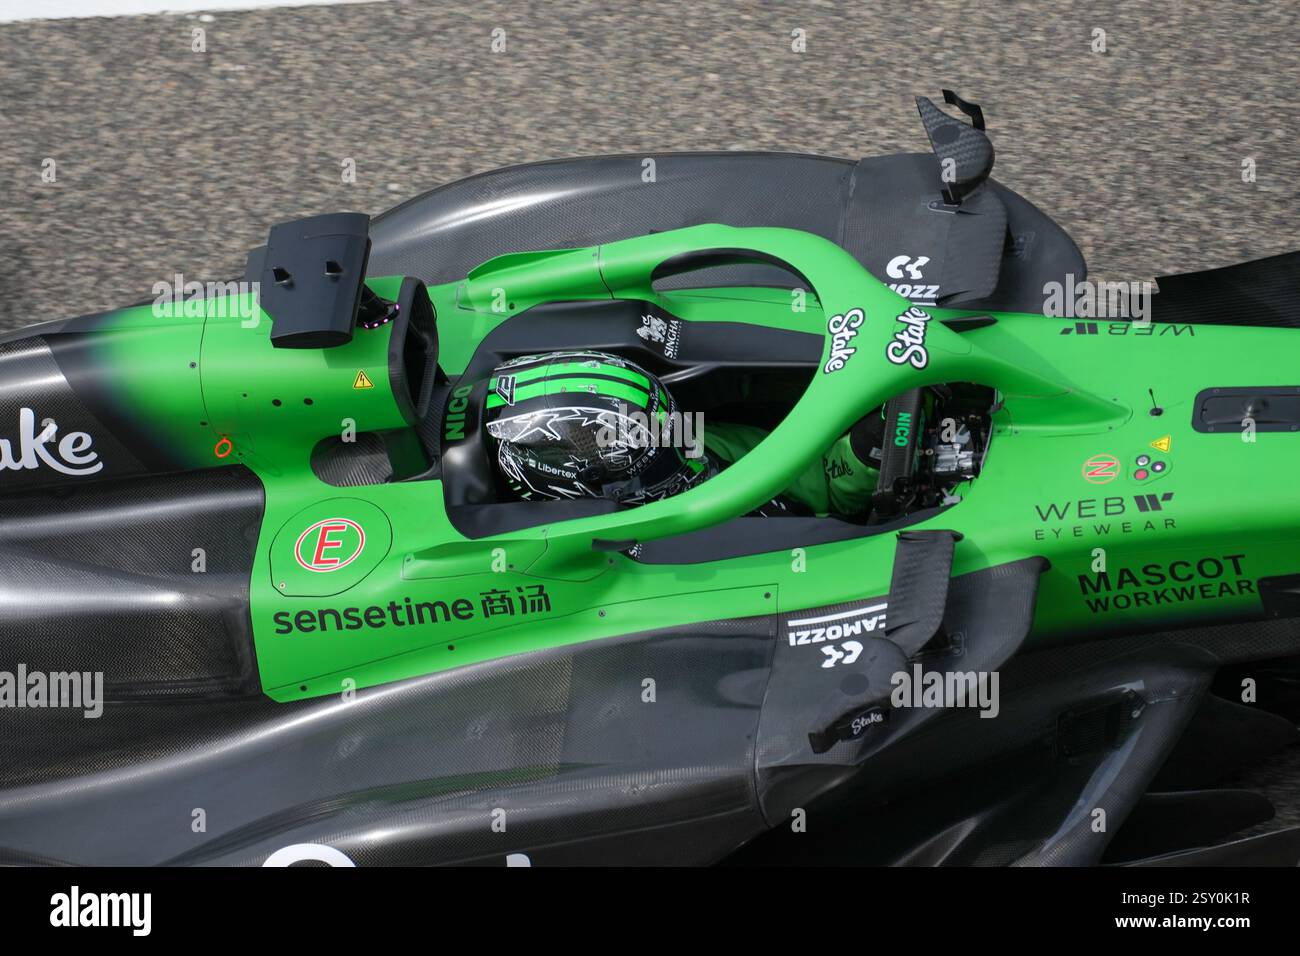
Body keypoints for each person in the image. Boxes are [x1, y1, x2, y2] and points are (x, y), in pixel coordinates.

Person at [483, 350, 883, 518]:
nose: (685, 457)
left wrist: (867, 450)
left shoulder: (680, 441)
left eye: (672, 432)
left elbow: (818, 480)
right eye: (648, 463)